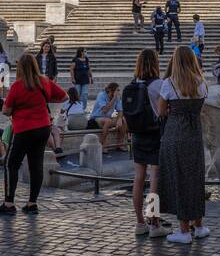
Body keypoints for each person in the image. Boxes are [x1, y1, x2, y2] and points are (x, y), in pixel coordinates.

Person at [0, 53, 67, 216]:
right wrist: (43, 102)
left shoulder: (18, 86)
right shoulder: (45, 81)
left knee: (11, 164)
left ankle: (9, 203)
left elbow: (5, 110)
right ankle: (32, 203)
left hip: (24, 129)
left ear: (19, 68)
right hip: (43, 128)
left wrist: (20, 108)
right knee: (36, 165)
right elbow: (64, 96)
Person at [154, 45, 209, 244]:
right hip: (194, 134)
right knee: (195, 178)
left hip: (175, 134)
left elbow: (161, 112)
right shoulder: (201, 82)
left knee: (178, 178)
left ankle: (184, 230)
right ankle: (199, 225)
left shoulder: (169, 83)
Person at [127, 49, 170, 238]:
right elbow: (165, 110)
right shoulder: (159, 84)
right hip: (154, 134)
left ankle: (139, 222)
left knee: (138, 178)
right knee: (154, 179)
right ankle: (154, 223)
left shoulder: (133, 84)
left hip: (137, 134)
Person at [87, 83, 128, 149]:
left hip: (107, 118)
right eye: (117, 90)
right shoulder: (101, 95)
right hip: (96, 118)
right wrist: (114, 98)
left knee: (123, 120)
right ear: (111, 91)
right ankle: (102, 145)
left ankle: (120, 144)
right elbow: (105, 110)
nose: (118, 92)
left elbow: (120, 110)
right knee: (108, 121)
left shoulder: (117, 97)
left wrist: (120, 119)